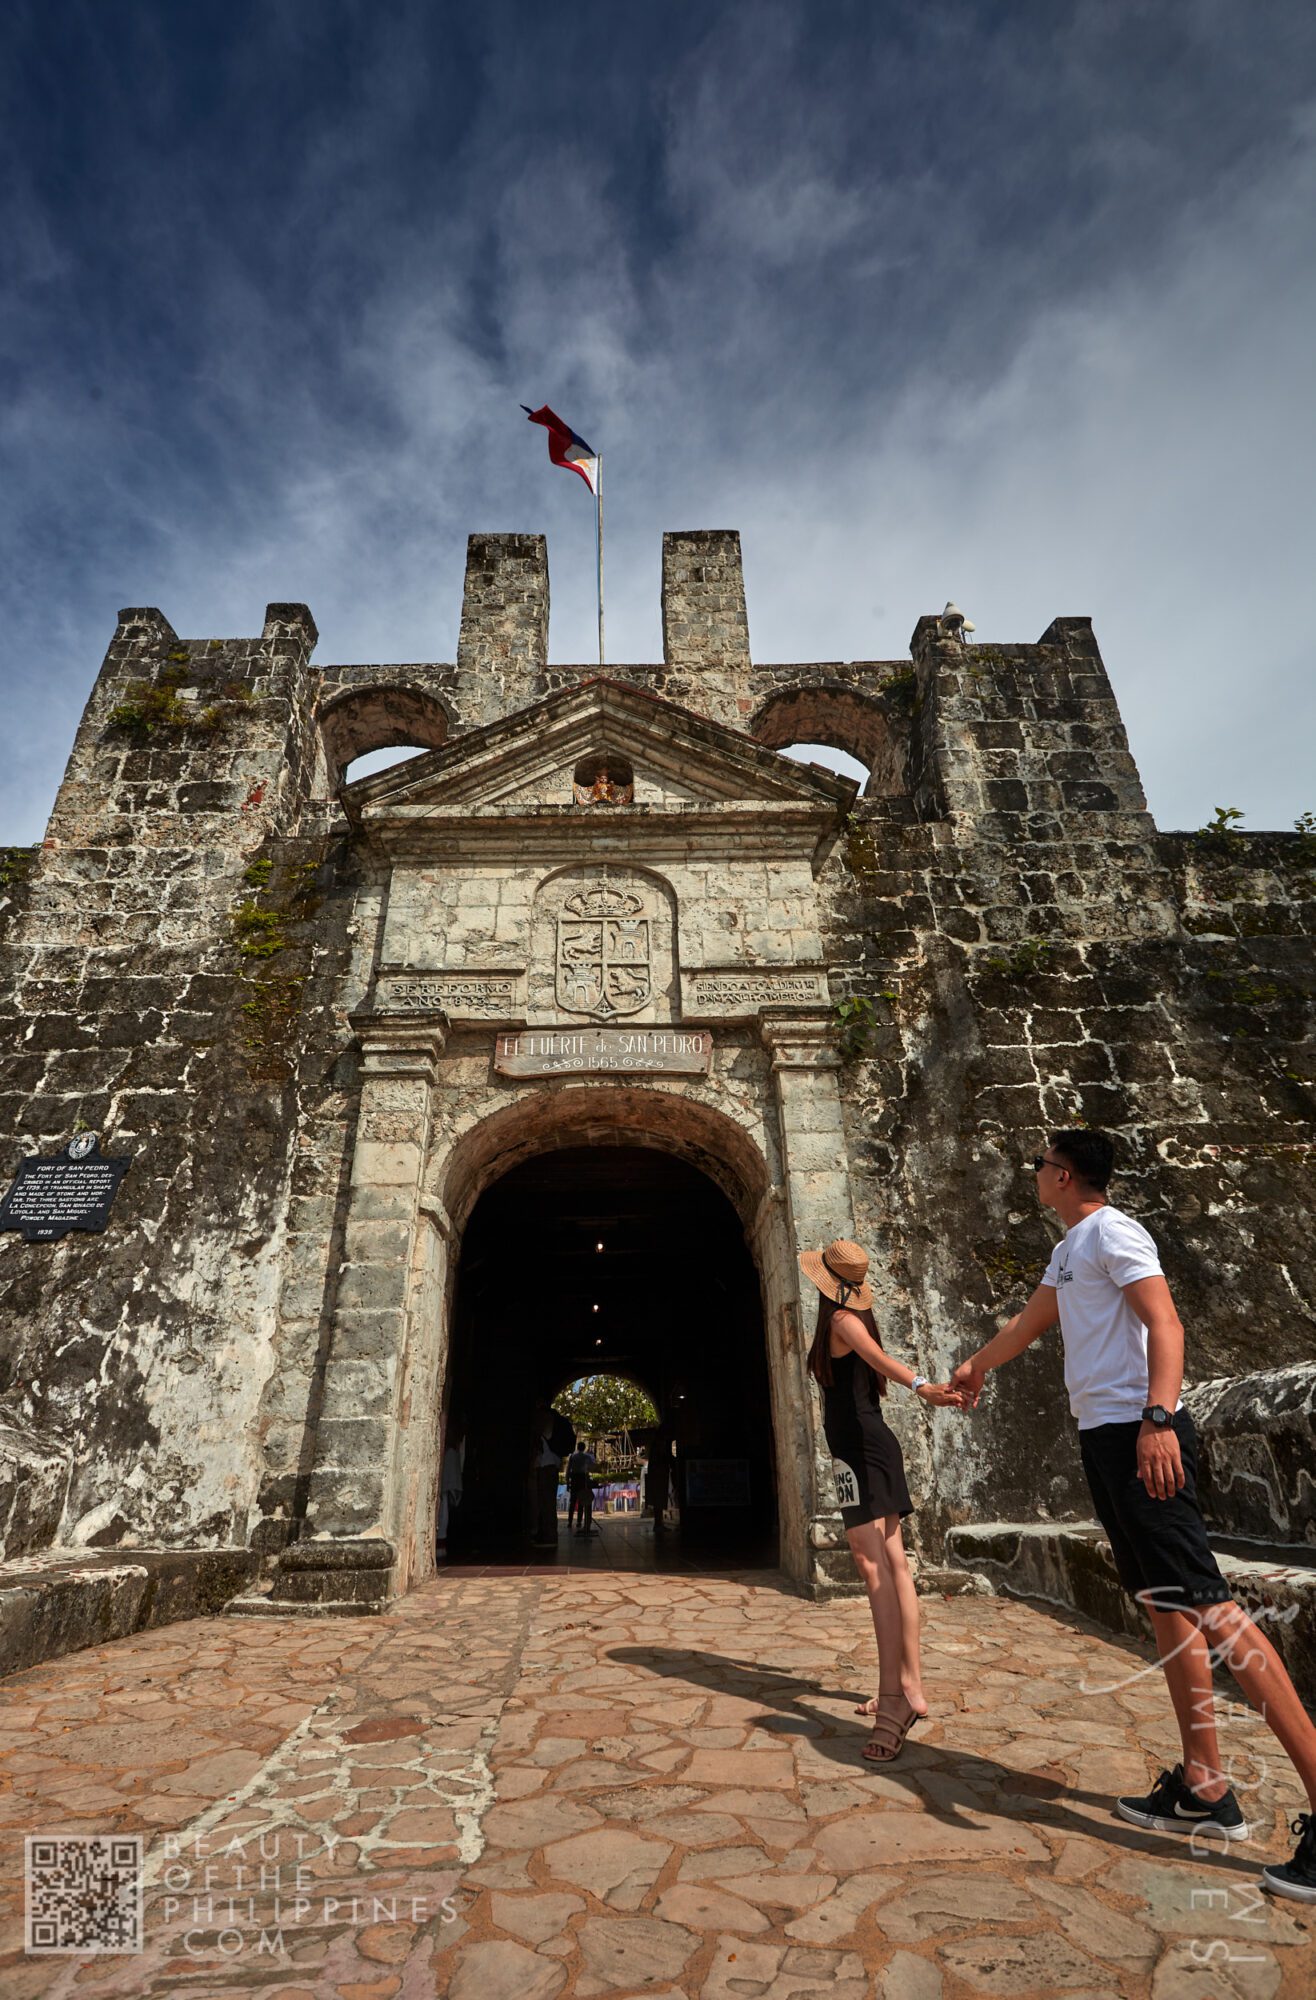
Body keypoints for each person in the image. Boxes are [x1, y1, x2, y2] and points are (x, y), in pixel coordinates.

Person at [952, 1129, 1316, 1904]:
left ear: (1063, 1175)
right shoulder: (1070, 1247)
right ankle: (1206, 1787)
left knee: (1212, 1607)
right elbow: (1026, 1329)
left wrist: (1158, 1419)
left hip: (1140, 1435)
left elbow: (1168, 1324)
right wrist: (974, 1369)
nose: (1035, 1176)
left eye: (1041, 1166)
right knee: (1168, 1608)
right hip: (1106, 1441)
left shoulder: (1115, 1231)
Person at [802, 1237, 966, 1764]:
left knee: (875, 1569)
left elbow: (882, 1360)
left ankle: (893, 1703)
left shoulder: (841, 1324)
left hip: (864, 1451)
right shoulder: (850, 1320)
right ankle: (910, 1687)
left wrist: (925, 1386)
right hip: (860, 1452)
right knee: (892, 1565)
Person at [531, 1401, 574, 1548]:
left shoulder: (544, 1420)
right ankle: (546, 1533)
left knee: (545, 1501)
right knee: (547, 1500)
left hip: (545, 1464)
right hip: (553, 1463)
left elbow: (538, 1440)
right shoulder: (555, 1420)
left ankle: (548, 1535)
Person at [567, 1442, 597, 1536]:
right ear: (584, 1448)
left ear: (577, 1447)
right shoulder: (586, 1456)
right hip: (582, 1478)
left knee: (572, 1501)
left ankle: (569, 1521)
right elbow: (593, 1465)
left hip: (574, 1478)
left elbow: (568, 1470)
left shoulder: (572, 1456)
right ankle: (579, 1522)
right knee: (581, 1500)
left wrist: (568, 1482)